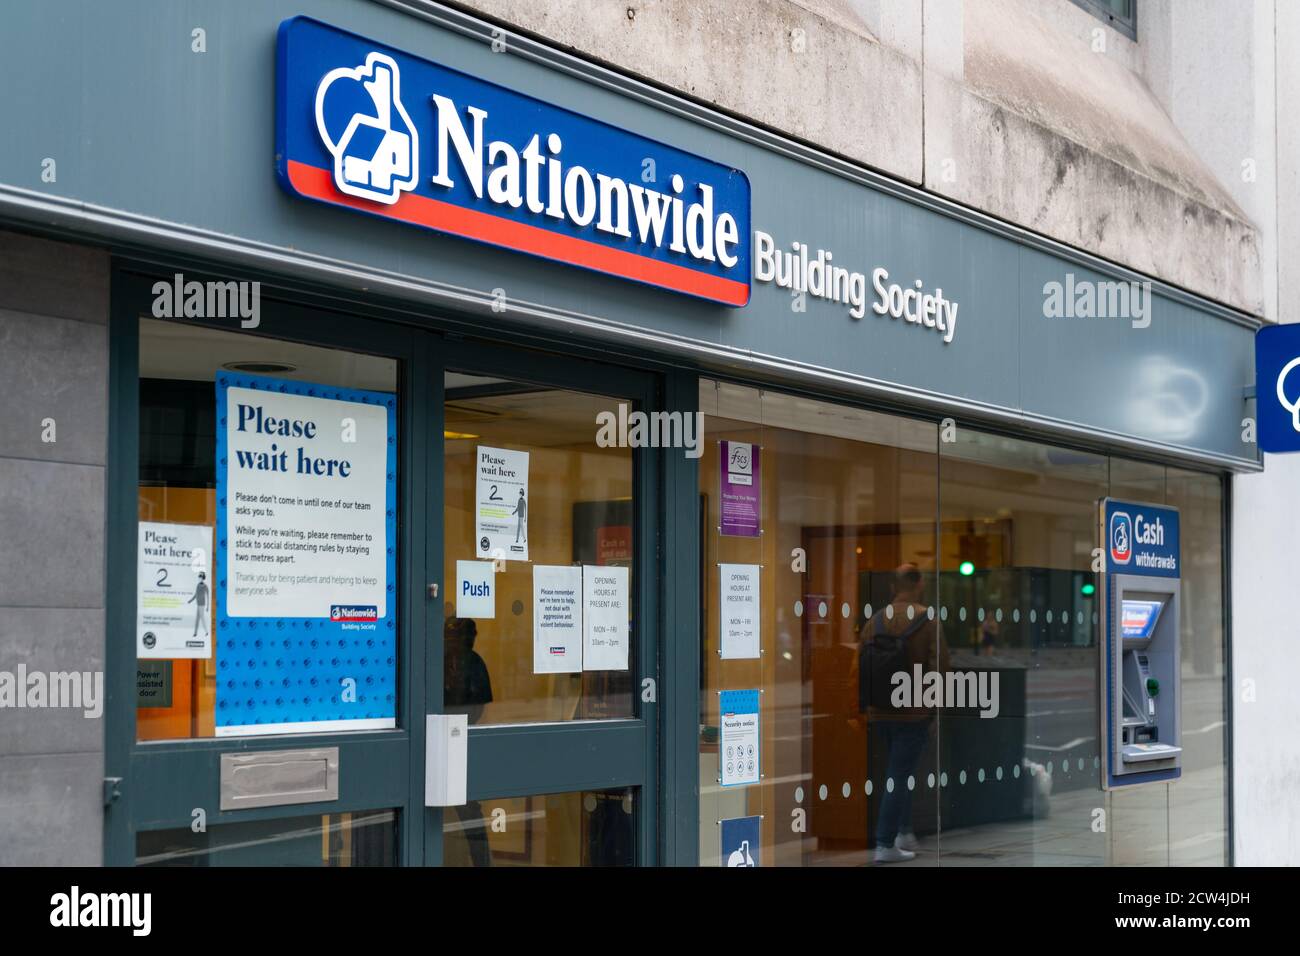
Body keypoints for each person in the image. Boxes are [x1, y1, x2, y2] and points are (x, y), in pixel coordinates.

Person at [859, 564, 949, 863]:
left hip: (878, 711)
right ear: (919, 584)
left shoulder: (875, 621)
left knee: (899, 771)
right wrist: (936, 711)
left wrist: (861, 709)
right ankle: (885, 843)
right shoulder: (928, 621)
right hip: (913, 712)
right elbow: (940, 669)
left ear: (892, 588)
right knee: (900, 775)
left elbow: (857, 667)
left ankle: (904, 831)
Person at [444, 617, 494, 866]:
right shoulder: (435, 660)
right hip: (437, 738)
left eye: (463, 637)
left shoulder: (475, 663)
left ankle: (481, 862)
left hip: (462, 740)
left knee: (470, 812)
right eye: (452, 637)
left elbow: (479, 705)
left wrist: (463, 728)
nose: (457, 643)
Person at [187, 571, 209, 638]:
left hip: (202, 605)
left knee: (202, 618)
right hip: (198, 604)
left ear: (203, 578)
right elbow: (196, 595)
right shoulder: (198, 585)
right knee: (197, 619)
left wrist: (208, 606)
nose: (199, 578)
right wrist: (190, 600)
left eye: (200, 577)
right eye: (199, 577)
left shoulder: (205, 586)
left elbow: (208, 597)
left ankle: (206, 632)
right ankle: (195, 633)